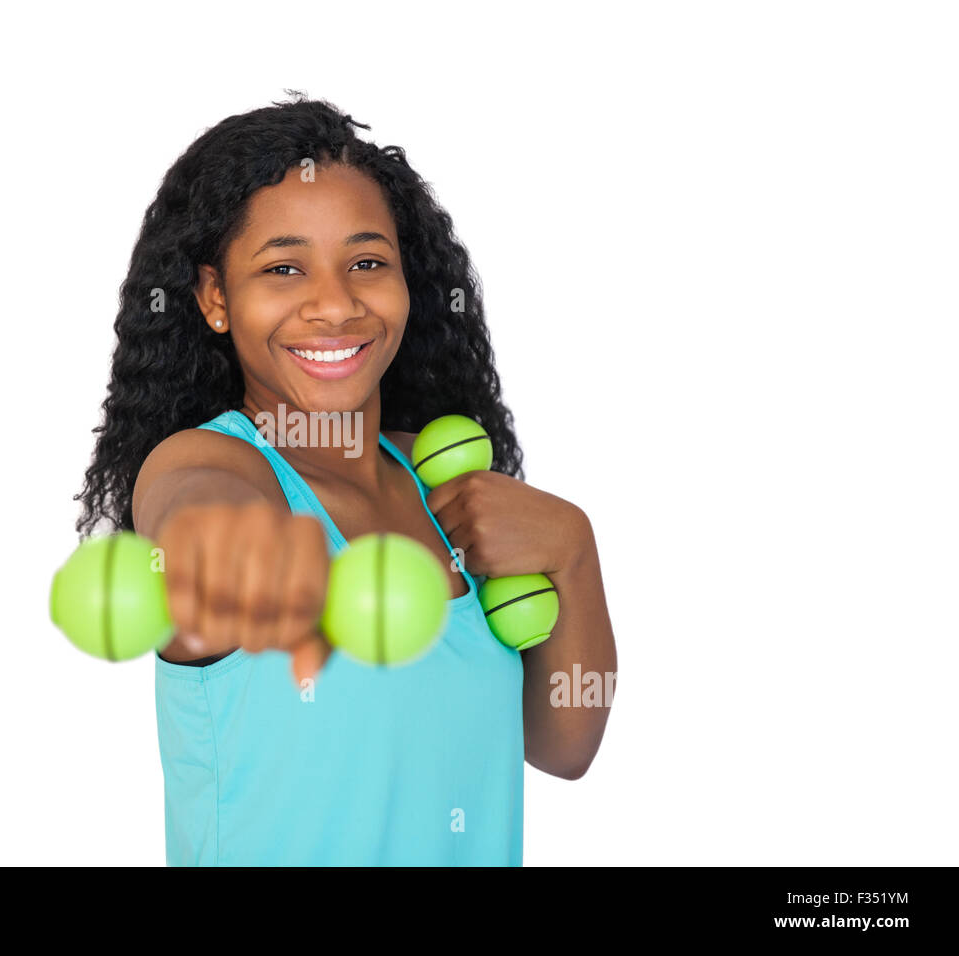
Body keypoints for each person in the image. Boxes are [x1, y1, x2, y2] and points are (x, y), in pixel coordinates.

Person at [74, 94, 617, 865]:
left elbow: (567, 744)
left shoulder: (448, 490)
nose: (334, 304)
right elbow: (191, 508)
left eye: (367, 262)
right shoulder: (212, 462)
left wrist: (575, 551)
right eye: (284, 268)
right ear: (215, 298)